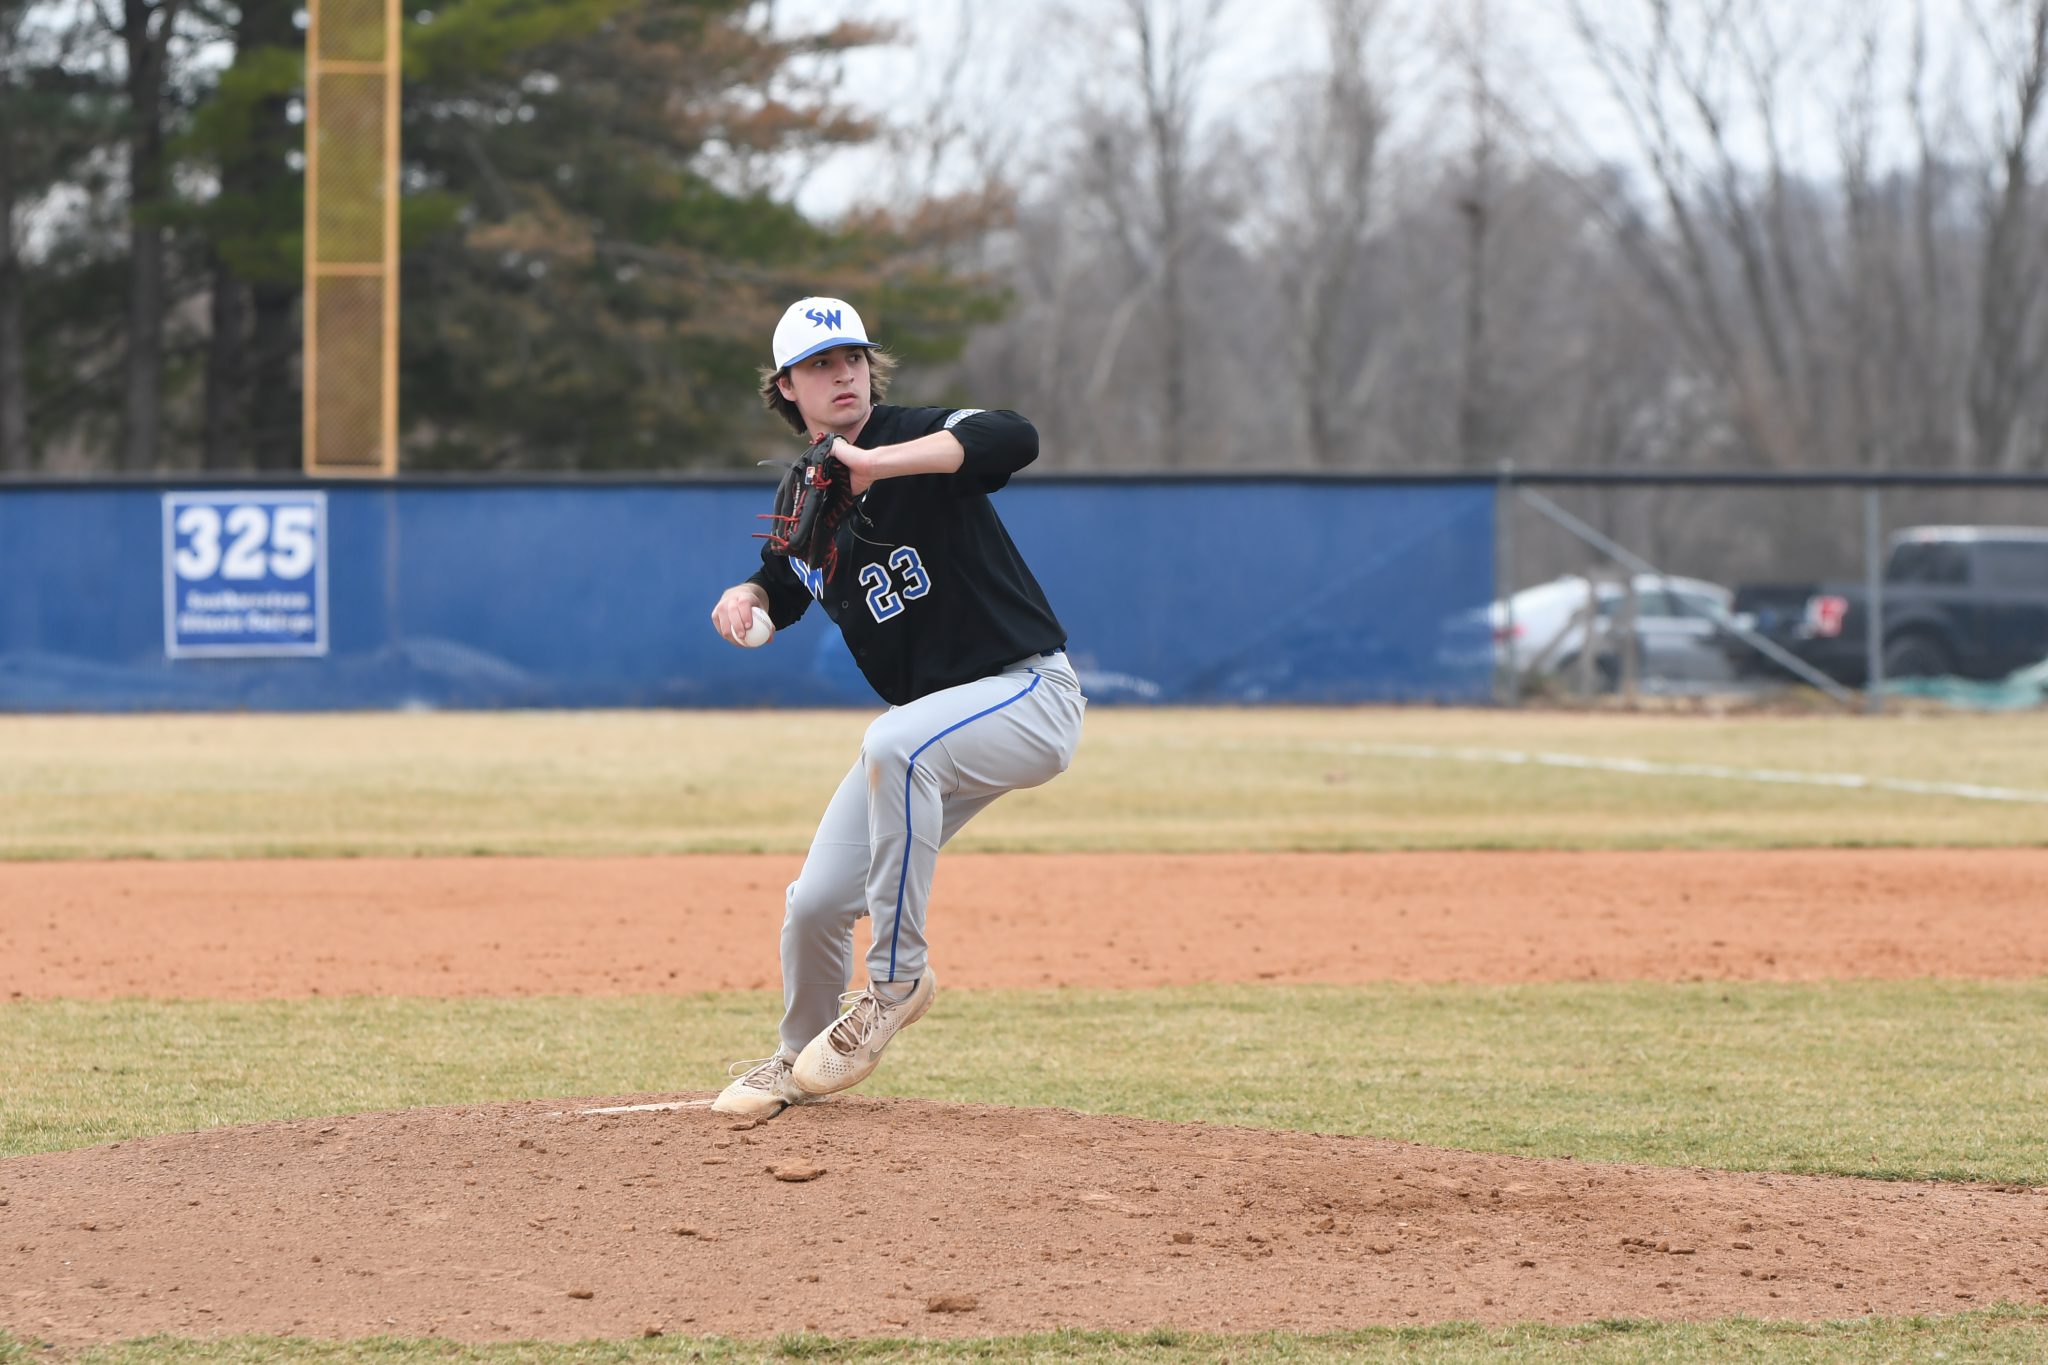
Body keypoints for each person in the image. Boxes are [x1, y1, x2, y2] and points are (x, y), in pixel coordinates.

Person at [707, 296, 1086, 1118]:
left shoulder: (910, 437)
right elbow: (784, 578)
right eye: (819, 365)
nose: (842, 373)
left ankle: (896, 982)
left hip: (1027, 694)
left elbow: (1011, 435)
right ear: (787, 388)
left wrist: (882, 464)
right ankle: (798, 1056)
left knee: (895, 743)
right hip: (935, 728)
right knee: (814, 903)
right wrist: (749, 596)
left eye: (852, 357)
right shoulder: (806, 486)